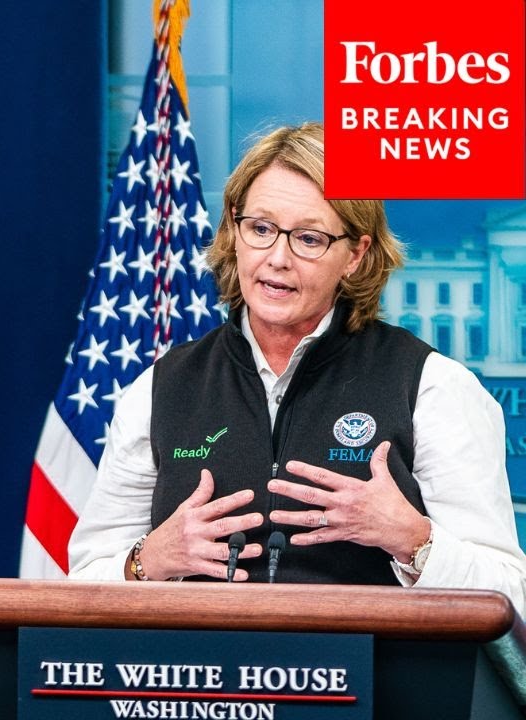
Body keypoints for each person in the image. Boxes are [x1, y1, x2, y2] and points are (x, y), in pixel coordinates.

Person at [68, 122, 526, 611]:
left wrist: (413, 539)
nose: (278, 259)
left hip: (371, 659)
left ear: (355, 255)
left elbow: (510, 596)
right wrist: (149, 560)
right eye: (261, 229)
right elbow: (83, 585)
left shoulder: (432, 386)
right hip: (193, 660)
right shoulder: (161, 387)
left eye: (308, 238)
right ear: (234, 231)